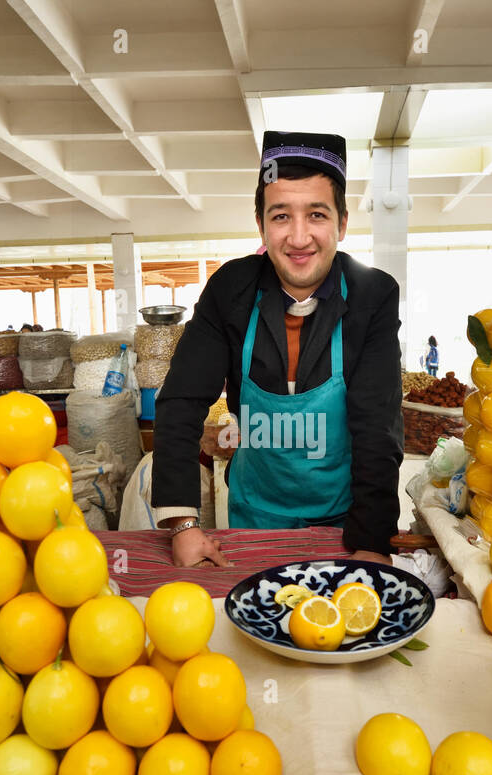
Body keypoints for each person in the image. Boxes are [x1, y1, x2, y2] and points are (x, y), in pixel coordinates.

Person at [152, 130, 403, 568]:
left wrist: (373, 542)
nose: (299, 237)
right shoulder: (230, 289)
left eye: (317, 215)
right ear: (262, 225)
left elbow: (376, 425)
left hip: (346, 524)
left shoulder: (372, 295)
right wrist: (183, 524)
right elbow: (182, 401)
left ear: (342, 224)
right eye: (281, 216)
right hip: (253, 518)